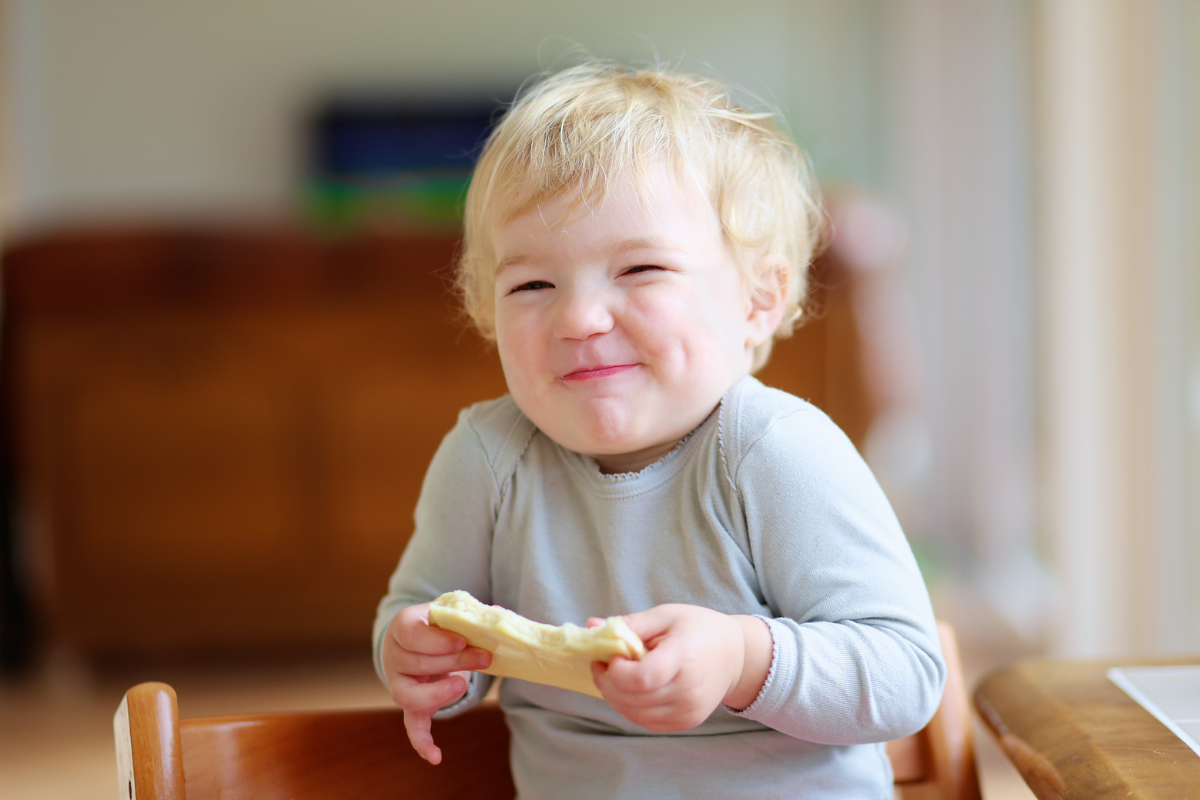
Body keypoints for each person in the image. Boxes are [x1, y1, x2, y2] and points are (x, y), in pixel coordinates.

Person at [373, 61, 945, 799]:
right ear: (487, 311)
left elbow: (906, 675)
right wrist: (417, 659)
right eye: (533, 284)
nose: (580, 319)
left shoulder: (776, 453)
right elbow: (424, 626)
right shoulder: (486, 462)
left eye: (640, 269)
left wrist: (741, 659)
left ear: (757, 300)